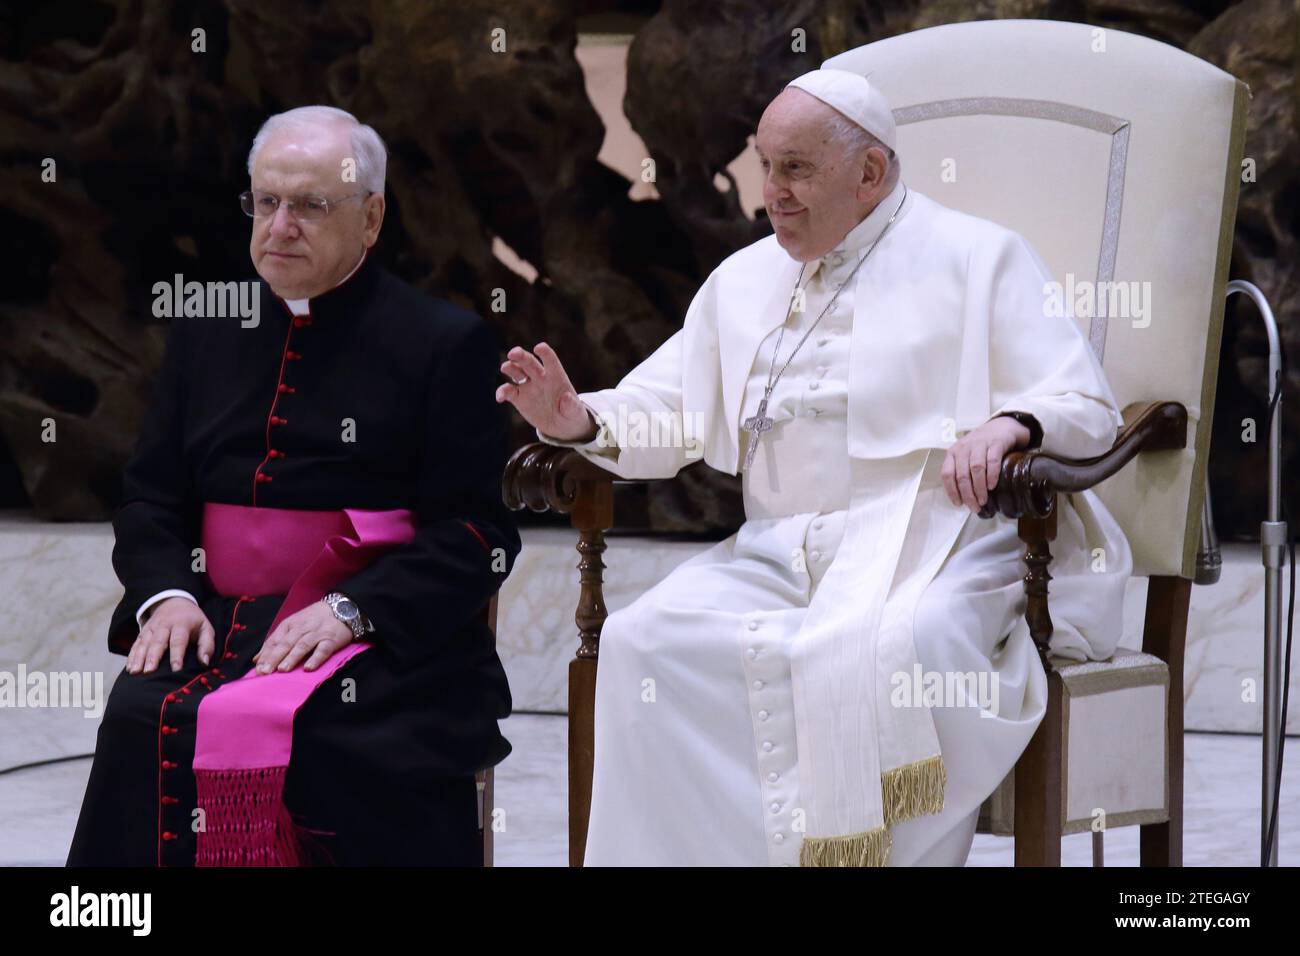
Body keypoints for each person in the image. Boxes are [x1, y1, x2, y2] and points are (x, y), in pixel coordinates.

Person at [497, 69, 1131, 866]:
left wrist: (1012, 422)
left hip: (938, 542)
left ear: (870, 173)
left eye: (796, 168)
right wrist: (579, 418)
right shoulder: (745, 277)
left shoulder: (978, 257)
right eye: (765, 165)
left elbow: (1084, 399)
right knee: (644, 639)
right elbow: (671, 406)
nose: (772, 193)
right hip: (781, 549)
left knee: (920, 646)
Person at [68, 106, 519, 867]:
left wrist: (356, 610)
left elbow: (477, 534)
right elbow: (148, 497)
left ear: (371, 218)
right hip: (215, 615)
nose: (280, 227)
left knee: (335, 735)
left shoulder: (443, 343)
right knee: (142, 715)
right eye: (266, 202)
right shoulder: (207, 332)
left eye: (311, 206)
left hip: (375, 624)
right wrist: (167, 595)